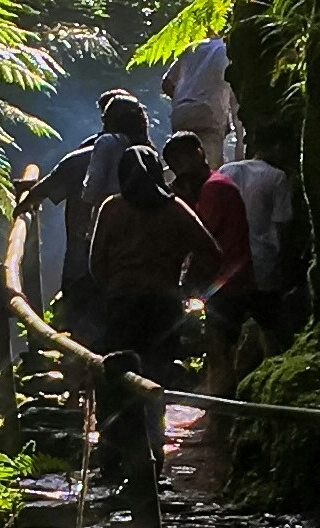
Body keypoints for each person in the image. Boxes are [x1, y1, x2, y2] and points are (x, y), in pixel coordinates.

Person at [20, 90, 152, 342]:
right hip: (138, 249)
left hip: (93, 239)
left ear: (107, 119)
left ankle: (80, 354)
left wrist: (29, 198)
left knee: (83, 301)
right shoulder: (146, 153)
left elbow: (62, 176)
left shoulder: (99, 147)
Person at [85, 141, 223, 371]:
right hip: (164, 302)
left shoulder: (112, 208)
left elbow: (96, 262)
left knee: (122, 370)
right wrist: (189, 285)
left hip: (121, 303)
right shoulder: (175, 209)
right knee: (158, 370)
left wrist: (112, 288)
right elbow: (211, 252)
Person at [162, 130, 253, 388]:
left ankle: (218, 413)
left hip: (227, 283)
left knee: (219, 348)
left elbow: (202, 239)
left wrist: (187, 283)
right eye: (174, 164)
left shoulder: (214, 189)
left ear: (199, 153)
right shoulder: (214, 186)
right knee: (221, 348)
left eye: (182, 160)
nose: (179, 170)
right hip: (228, 280)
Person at [216, 144, 297, 348]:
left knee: (225, 336)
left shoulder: (226, 171)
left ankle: (225, 376)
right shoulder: (277, 177)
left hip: (228, 267)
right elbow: (282, 224)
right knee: (270, 330)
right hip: (264, 266)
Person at [159, 31, 236, 169]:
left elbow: (167, 84)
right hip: (209, 116)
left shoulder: (193, 48)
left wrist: (181, 99)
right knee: (210, 169)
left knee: (183, 165)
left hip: (182, 114)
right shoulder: (230, 51)